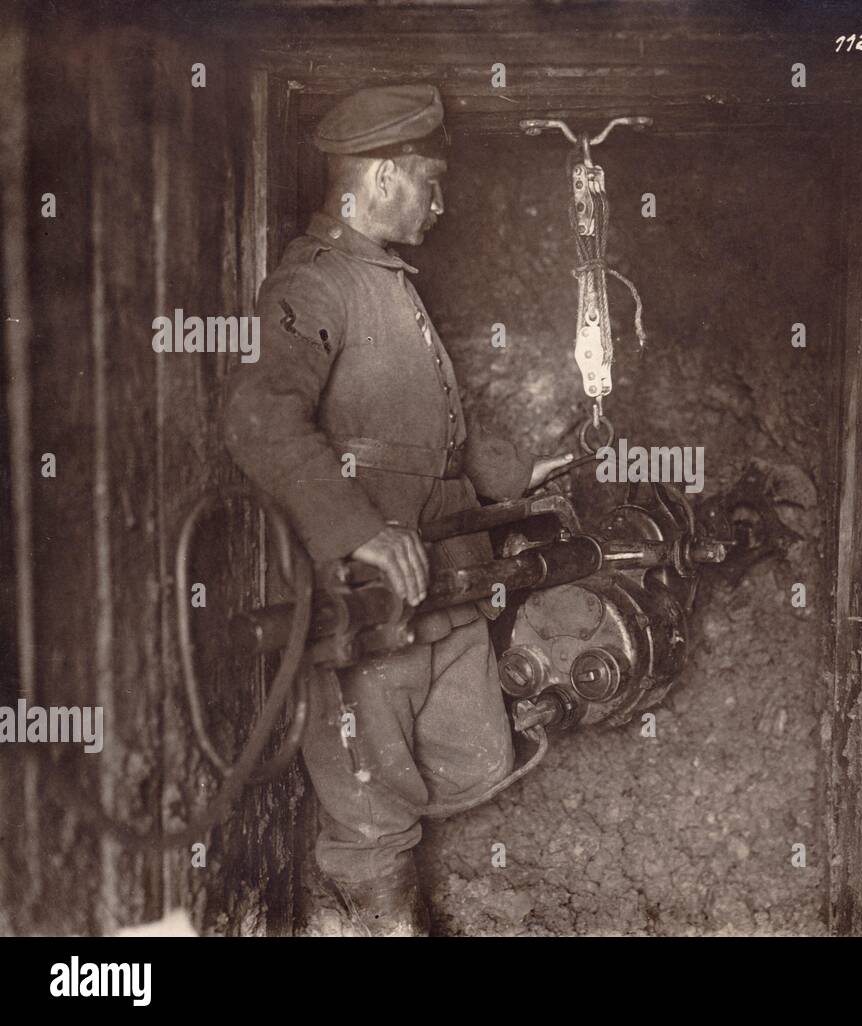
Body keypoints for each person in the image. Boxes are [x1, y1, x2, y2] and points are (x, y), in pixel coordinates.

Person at [222, 83, 572, 935]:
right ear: (379, 178)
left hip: (442, 575)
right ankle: (367, 910)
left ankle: (367, 887)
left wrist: (518, 477)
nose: (438, 201)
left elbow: (433, 439)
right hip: (371, 582)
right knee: (369, 793)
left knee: (480, 751)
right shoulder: (317, 284)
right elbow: (258, 418)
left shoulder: (389, 285)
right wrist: (360, 532)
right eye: (427, 180)